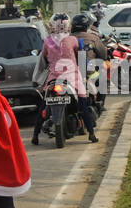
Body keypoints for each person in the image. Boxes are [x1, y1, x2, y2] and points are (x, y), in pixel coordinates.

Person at [31, 14, 97, 145]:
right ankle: (91, 133)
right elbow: (82, 58)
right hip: (72, 77)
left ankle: (35, 135)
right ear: (69, 26)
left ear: (51, 26)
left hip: (53, 78)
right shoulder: (74, 40)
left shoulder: (47, 41)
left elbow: (42, 62)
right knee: (83, 104)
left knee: (43, 106)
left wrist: (37, 79)